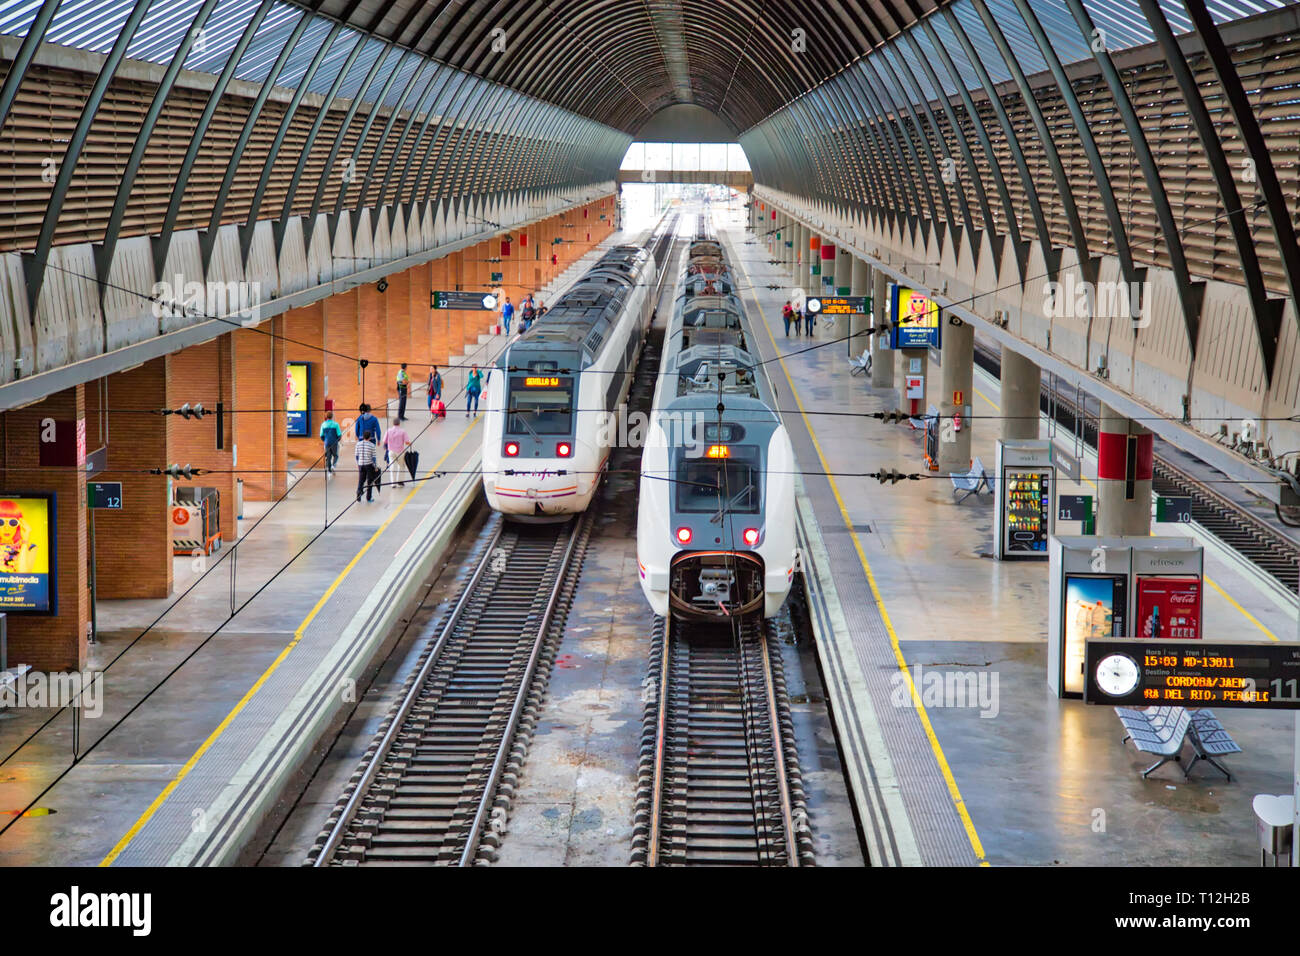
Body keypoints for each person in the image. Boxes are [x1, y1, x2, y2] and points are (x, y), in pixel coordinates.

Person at [382, 420, 411, 487]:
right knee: (401, 466)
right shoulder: (403, 431)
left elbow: (385, 441)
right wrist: (410, 443)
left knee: (392, 466)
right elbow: (407, 442)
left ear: (393, 423)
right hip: (400, 451)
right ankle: (400, 482)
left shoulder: (388, 431)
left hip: (391, 451)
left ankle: (393, 483)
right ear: (399, 423)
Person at [355, 432, 379, 502]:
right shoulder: (372, 445)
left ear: (363, 436)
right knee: (370, 481)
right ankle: (368, 498)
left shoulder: (358, 444)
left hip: (361, 465)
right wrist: (375, 467)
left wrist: (358, 463)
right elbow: (374, 458)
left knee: (361, 481)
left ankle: (358, 496)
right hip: (369, 465)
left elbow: (356, 456)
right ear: (370, 437)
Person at [319, 411, 342, 476]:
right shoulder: (336, 424)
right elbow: (339, 435)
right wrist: (337, 441)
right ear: (332, 416)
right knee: (336, 455)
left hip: (327, 443)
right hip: (334, 442)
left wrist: (325, 440)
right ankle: (333, 466)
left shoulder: (323, 424)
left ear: (326, 417)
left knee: (328, 457)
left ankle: (329, 471)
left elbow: (321, 435)